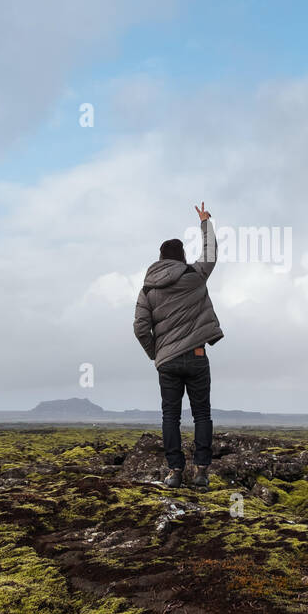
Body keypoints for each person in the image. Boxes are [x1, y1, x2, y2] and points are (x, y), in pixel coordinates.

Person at [133, 203, 223, 488]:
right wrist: (205, 222)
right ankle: (201, 473)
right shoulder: (194, 276)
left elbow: (139, 328)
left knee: (170, 415)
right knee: (202, 414)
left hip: (167, 362)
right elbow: (210, 254)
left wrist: (156, 353)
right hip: (197, 356)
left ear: (160, 260)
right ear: (182, 257)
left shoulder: (148, 289)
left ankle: (174, 472)